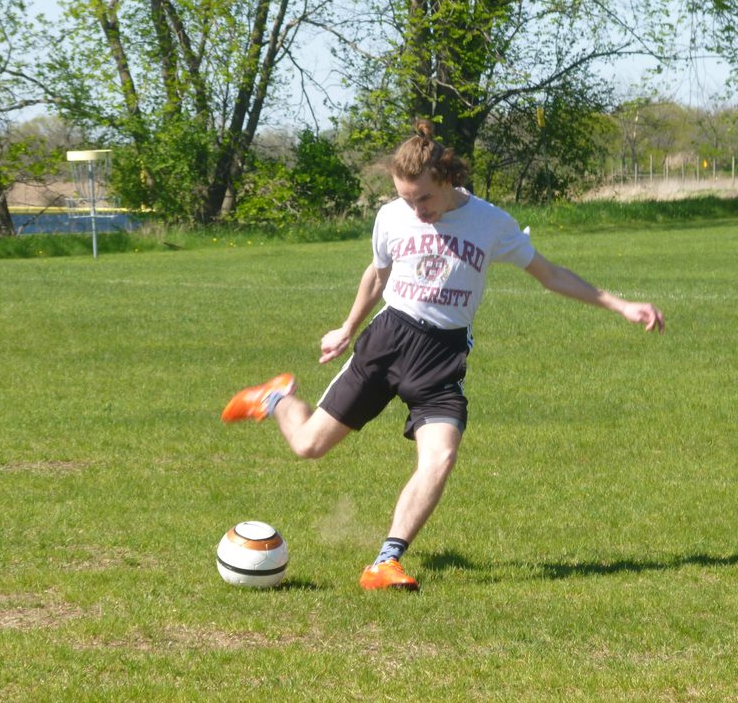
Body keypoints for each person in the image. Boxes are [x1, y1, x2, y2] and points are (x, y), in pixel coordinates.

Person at [221, 120, 665, 591]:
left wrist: (621, 305)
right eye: (406, 199)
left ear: (449, 179)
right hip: (389, 341)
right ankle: (277, 398)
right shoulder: (392, 217)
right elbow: (377, 274)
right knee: (309, 446)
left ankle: (385, 562)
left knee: (442, 455)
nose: (416, 210)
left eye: (424, 199)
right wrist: (347, 328)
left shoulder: (491, 223)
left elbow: (550, 274)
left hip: (442, 356)